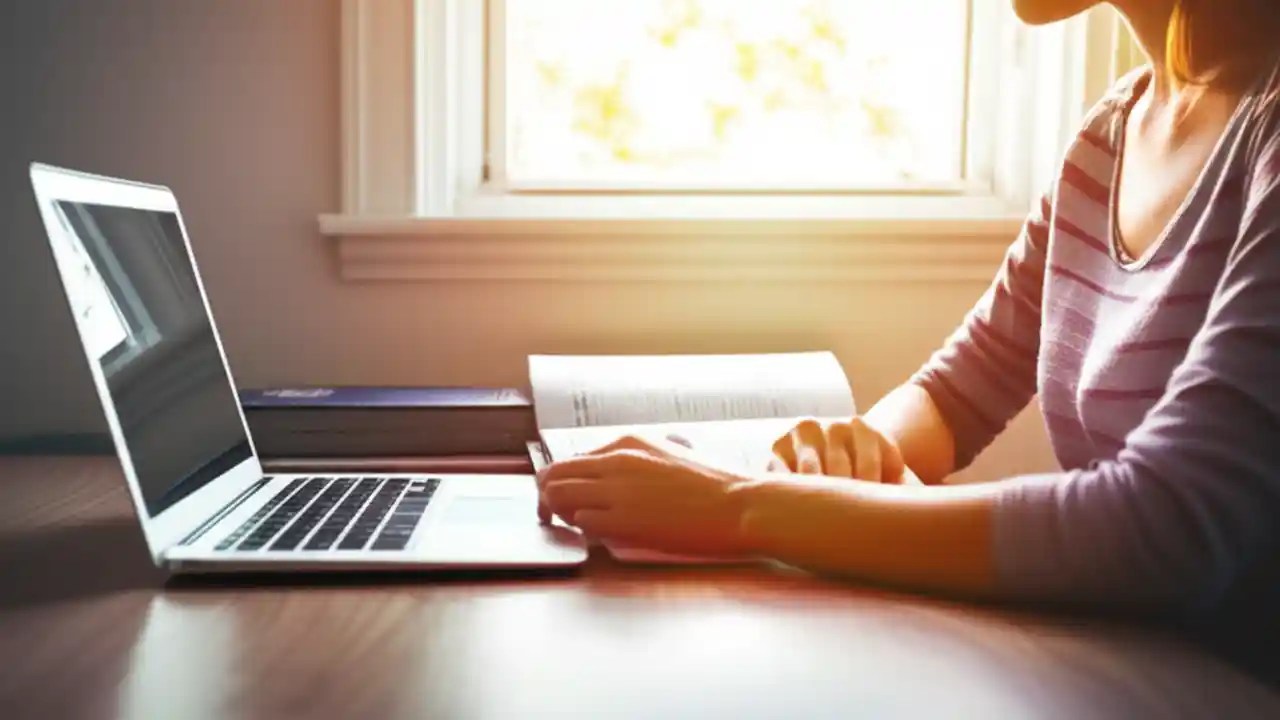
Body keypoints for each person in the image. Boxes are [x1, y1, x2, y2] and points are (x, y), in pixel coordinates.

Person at [537, 0, 1280, 618]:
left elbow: (1165, 529)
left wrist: (740, 506)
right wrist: (851, 453)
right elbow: (962, 388)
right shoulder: (1113, 132)